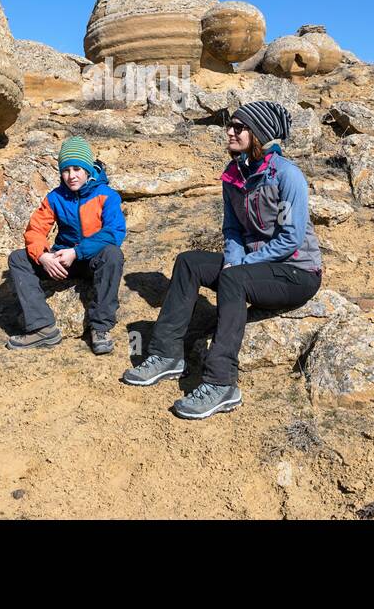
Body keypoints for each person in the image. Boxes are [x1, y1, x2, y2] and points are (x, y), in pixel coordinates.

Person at [121, 101, 321, 419]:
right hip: (255, 264)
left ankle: (222, 383)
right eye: (231, 125)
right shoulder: (234, 176)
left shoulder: (286, 175)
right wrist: (234, 257)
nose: (230, 131)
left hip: (295, 271)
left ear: (258, 133)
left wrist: (241, 265)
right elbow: (232, 228)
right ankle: (167, 355)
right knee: (189, 262)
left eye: (239, 127)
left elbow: (290, 239)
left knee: (233, 278)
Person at [5, 136, 127, 355]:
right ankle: (43, 328)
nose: (71, 176)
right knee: (18, 258)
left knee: (113, 254)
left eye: (77, 169)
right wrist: (43, 256)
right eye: (66, 170)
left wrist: (77, 251)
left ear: (88, 170)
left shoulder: (107, 196)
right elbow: (35, 230)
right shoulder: (55, 197)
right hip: (62, 261)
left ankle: (100, 328)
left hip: (92, 260)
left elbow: (113, 233)